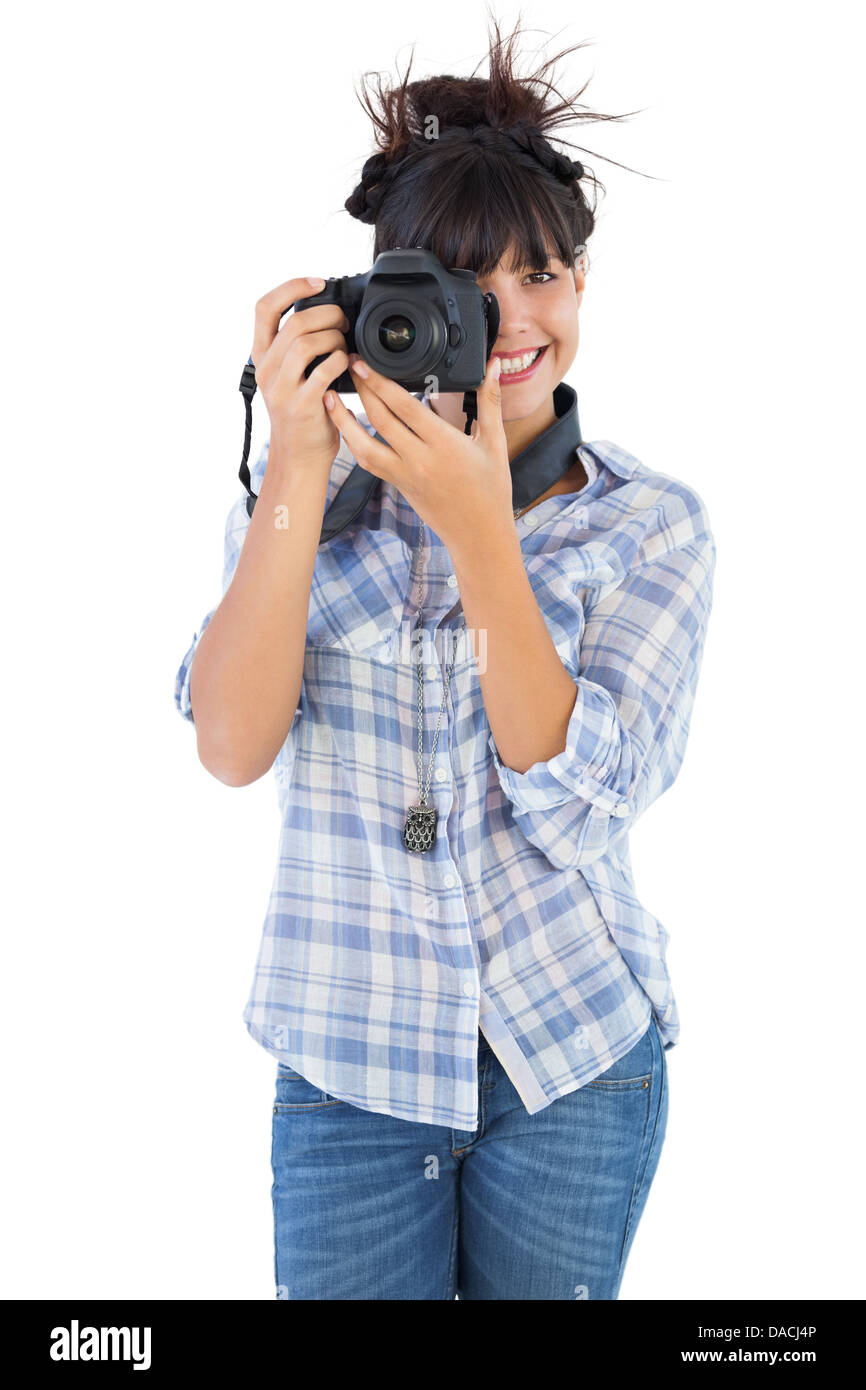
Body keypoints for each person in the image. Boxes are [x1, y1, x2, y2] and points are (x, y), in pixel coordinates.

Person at [174, 15, 716, 1300]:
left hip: (571, 1058)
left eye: (541, 274)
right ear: (377, 306)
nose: (507, 321)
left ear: (583, 283)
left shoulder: (646, 521)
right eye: (462, 288)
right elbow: (229, 747)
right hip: (347, 1063)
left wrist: (484, 536)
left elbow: (578, 797)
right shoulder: (304, 488)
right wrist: (295, 470)